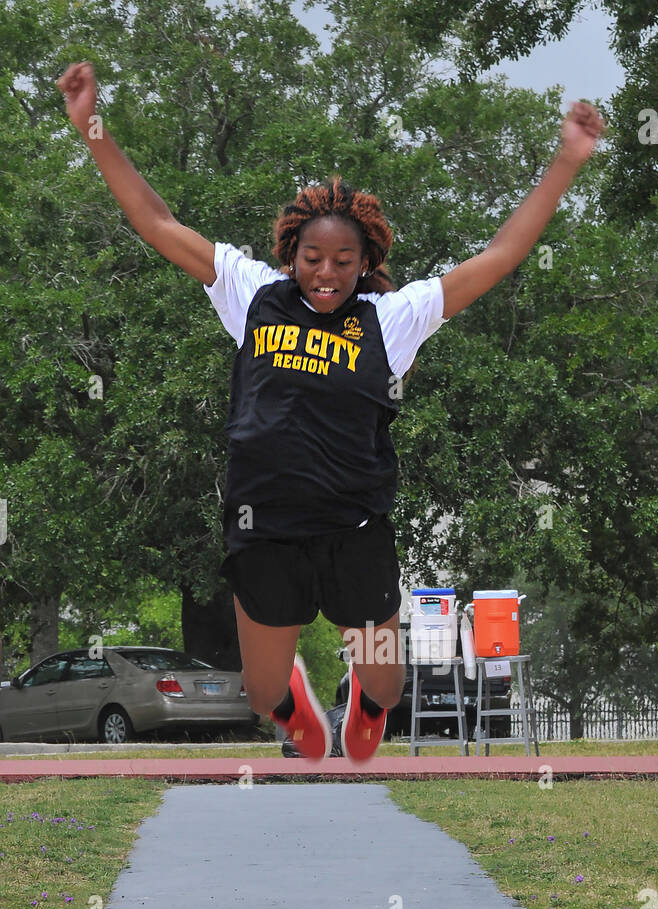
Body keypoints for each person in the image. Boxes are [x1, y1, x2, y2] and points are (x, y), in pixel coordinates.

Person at [56, 60, 604, 760]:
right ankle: (298, 719)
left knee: (384, 680)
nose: (326, 273)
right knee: (260, 692)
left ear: (363, 259)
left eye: (343, 261)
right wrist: (93, 129)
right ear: (293, 252)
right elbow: (156, 221)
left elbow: (496, 257)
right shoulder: (252, 293)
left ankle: (365, 714)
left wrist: (564, 162)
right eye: (314, 257)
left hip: (354, 528)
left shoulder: (391, 318)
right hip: (264, 527)